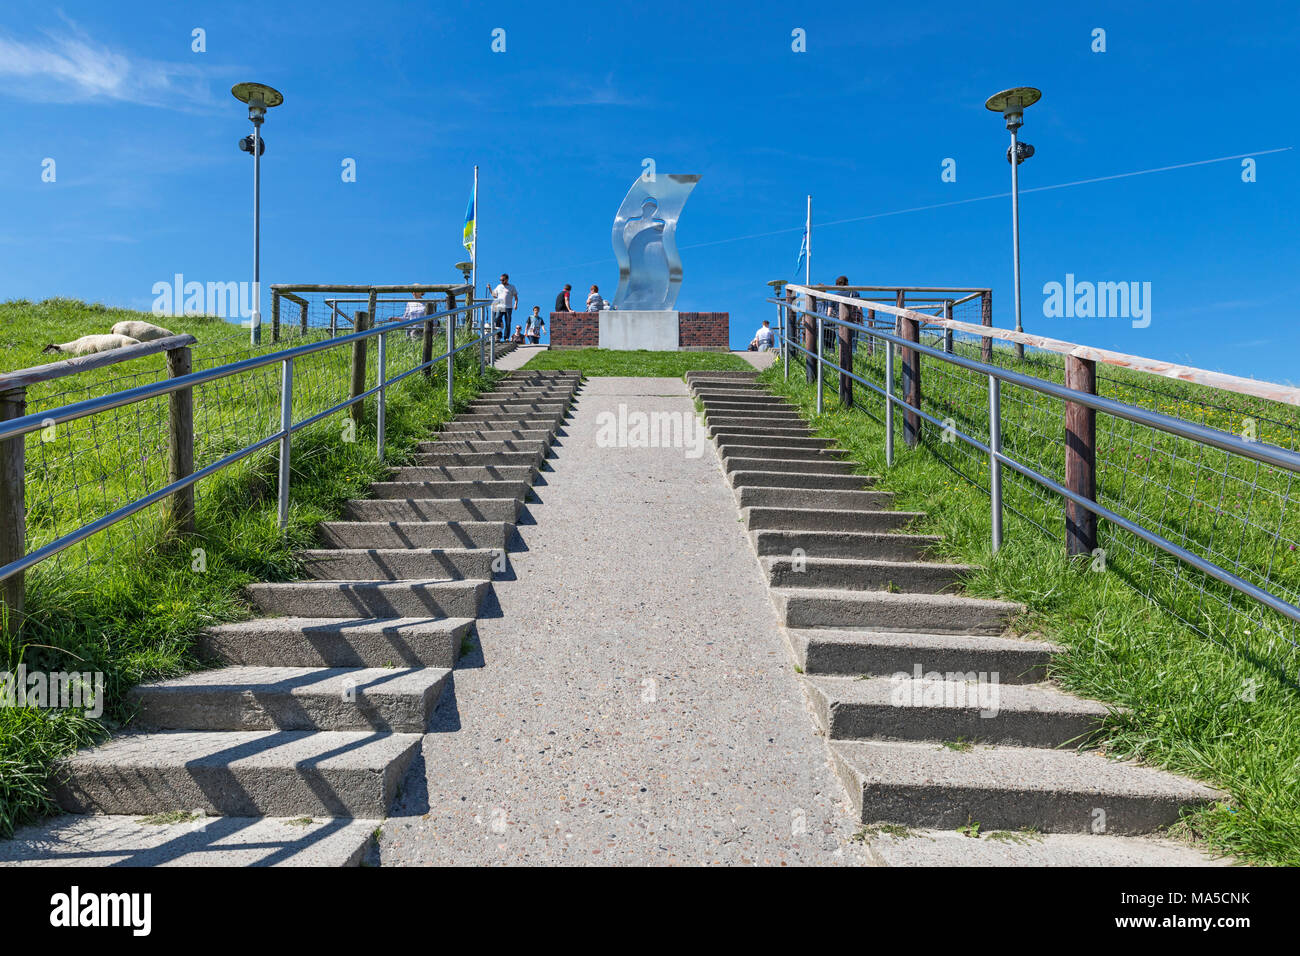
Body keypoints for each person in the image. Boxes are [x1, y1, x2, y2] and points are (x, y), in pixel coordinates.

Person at [493, 273, 519, 342]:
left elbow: (516, 297)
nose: (501, 281)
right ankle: (498, 335)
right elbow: (494, 295)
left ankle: (506, 337)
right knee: (496, 319)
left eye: (503, 280)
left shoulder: (512, 287)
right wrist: (489, 288)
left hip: (508, 307)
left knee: (508, 322)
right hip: (500, 306)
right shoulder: (499, 286)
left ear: (507, 279)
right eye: (500, 280)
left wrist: (515, 304)